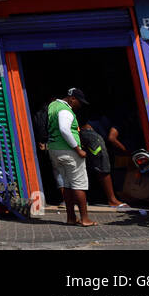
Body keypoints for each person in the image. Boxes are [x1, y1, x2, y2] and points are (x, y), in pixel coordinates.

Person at [47, 87, 95, 226]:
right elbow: (64, 129)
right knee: (79, 185)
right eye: (79, 102)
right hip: (68, 152)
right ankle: (85, 219)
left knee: (67, 185)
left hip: (55, 150)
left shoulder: (53, 106)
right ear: (72, 98)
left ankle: (71, 218)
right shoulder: (65, 110)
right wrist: (78, 149)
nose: (80, 105)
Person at [79, 118, 131, 210]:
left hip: (84, 133)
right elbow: (112, 138)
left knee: (93, 167)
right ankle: (113, 200)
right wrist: (127, 153)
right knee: (103, 167)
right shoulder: (122, 120)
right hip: (91, 135)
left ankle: (87, 198)